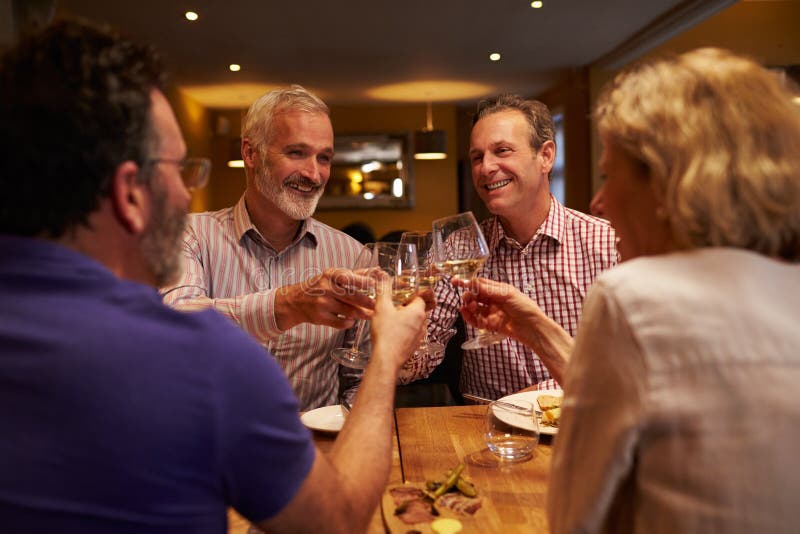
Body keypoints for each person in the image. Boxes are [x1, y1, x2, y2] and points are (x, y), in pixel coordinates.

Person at [0, 19, 426, 533]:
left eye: (324, 158)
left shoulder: (349, 253)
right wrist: (387, 355)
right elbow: (335, 523)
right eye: (181, 172)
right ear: (129, 193)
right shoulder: (204, 356)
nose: (186, 195)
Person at [463, 48, 800, 532]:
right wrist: (535, 327)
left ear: (668, 183)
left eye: (609, 175)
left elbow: (577, 517)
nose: (598, 201)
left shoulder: (633, 295)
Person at [161, 86, 371, 411]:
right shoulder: (188, 233)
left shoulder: (353, 256)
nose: (314, 174)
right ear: (250, 153)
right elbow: (177, 324)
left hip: (311, 450)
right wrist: (288, 305)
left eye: (324, 157)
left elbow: (360, 377)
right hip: (206, 447)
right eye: (297, 152)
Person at [402, 94, 618, 399]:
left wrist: (533, 396)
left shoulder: (606, 244)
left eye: (502, 151)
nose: (486, 167)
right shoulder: (457, 248)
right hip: (485, 430)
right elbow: (417, 365)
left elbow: (625, 367)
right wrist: (405, 328)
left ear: (546, 156)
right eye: (477, 157)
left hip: (582, 423)